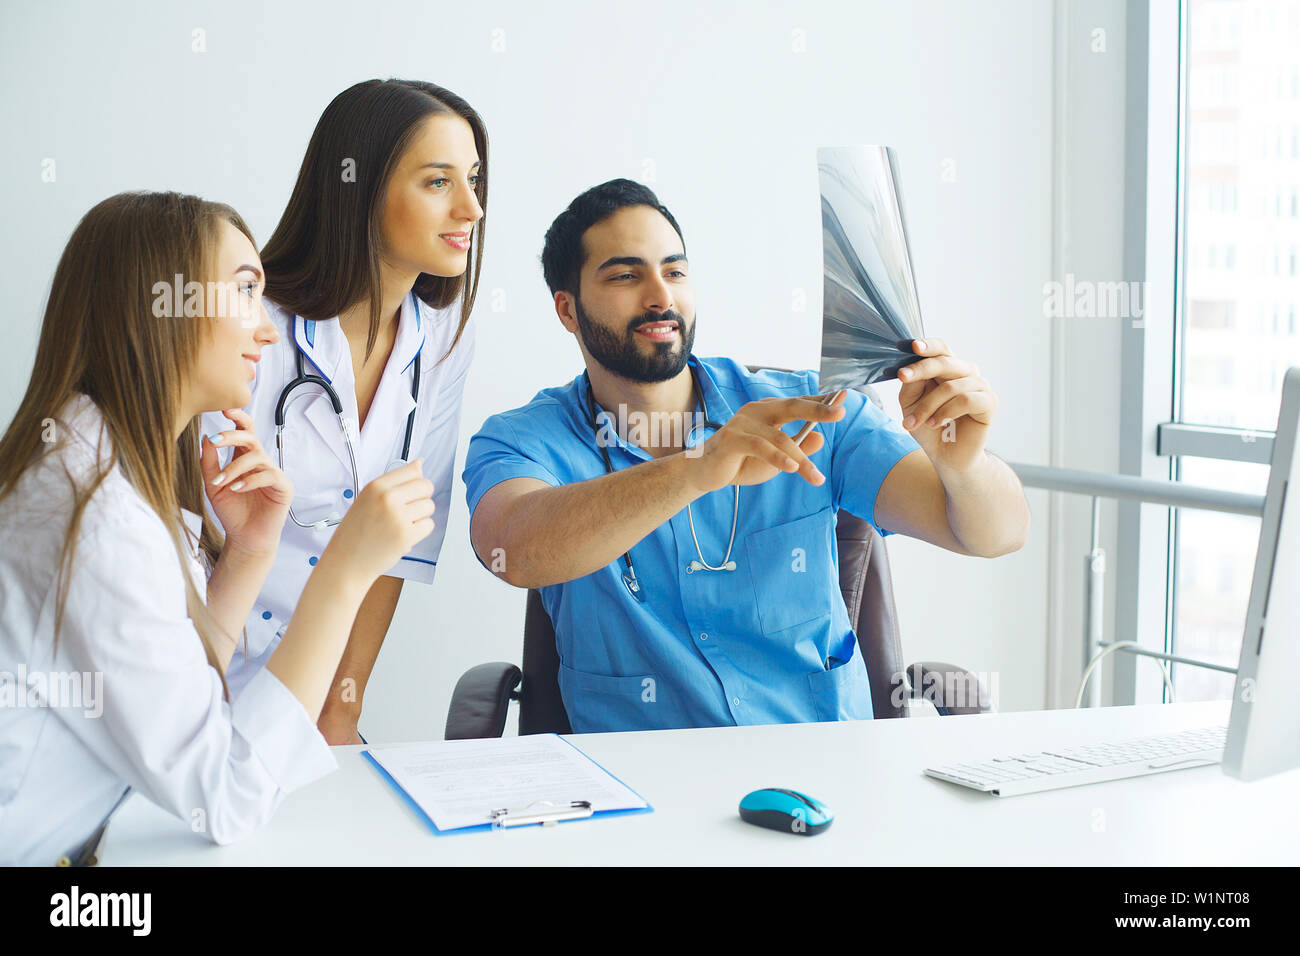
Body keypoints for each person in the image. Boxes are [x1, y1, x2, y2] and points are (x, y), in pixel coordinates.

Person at [462, 179, 1030, 734]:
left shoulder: (816, 410)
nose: (661, 296)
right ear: (567, 310)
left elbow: (995, 533)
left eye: (675, 271)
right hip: (642, 797)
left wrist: (961, 461)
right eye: (626, 275)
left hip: (827, 778)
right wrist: (698, 466)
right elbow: (512, 549)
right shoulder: (523, 440)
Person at [0, 192, 435, 866]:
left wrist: (249, 554)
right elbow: (224, 794)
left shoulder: (106, 471)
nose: (265, 330)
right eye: (242, 291)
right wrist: (344, 573)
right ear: (157, 307)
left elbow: (192, 698)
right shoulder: (93, 517)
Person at [201, 80, 487, 743]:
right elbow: (190, 528)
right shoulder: (250, 324)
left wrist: (340, 711)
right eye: (438, 182)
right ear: (358, 188)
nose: (471, 207)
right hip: (202, 669)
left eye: (474, 180)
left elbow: (403, 538)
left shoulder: (445, 334)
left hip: (313, 684)